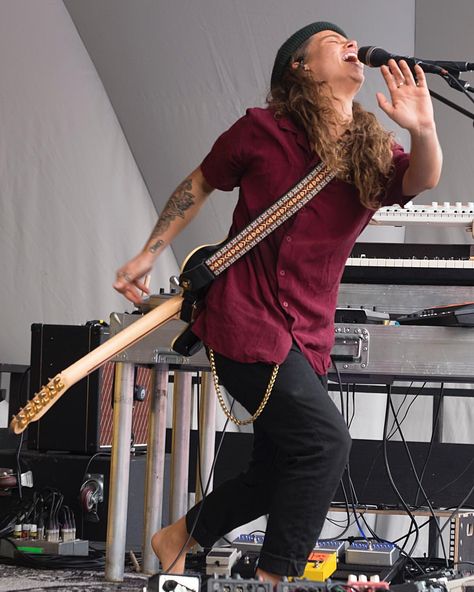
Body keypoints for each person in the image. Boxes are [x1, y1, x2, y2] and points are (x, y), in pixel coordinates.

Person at [114, 21, 442, 585]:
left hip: (308, 333)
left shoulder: (370, 147)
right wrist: (150, 251)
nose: (350, 45)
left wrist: (425, 129)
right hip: (244, 318)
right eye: (332, 41)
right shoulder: (262, 129)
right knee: (326, 442)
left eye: (351, 41)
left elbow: (422, 178)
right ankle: (277, 579)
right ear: (300, 66)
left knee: (280, 468)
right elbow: (199, 183)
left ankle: (179, 536)